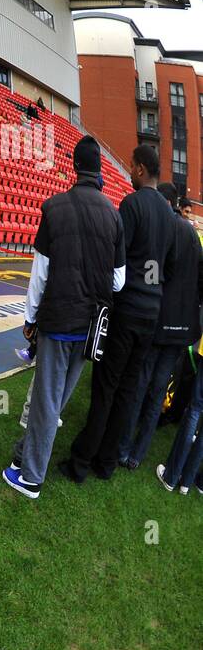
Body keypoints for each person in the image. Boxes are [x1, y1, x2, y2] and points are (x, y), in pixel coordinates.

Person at [3, 136, 126, 498]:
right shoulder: (113, 215)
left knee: (45, 400)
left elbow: (40, 273)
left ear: (74, 166)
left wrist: (29, 319)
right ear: (100, 168)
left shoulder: (54, 208)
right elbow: (118, 280)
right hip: (91, 328)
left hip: (59, 321)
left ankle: (31, 478)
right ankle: (23, 456)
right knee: (55, 400)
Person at [58, 143, 177, 484]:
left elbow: (116, 256)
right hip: (150, 312)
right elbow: (161, 266)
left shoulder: (132, 204)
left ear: (140, 169)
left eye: (131, 166)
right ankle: (106, 462)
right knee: (128, 390)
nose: (128, 171)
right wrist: (148, 284)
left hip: (126, 309)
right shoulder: (169, 217)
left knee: (106, 386)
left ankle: (81, 461)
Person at [119, 182, 203, 471]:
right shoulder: (195, 237)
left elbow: (156, 273)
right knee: (157, 392)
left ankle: (123, 447)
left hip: (160, 321)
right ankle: (138, 454)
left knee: (141, 384)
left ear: (166, 203)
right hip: (182, 329)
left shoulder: (169, 230)